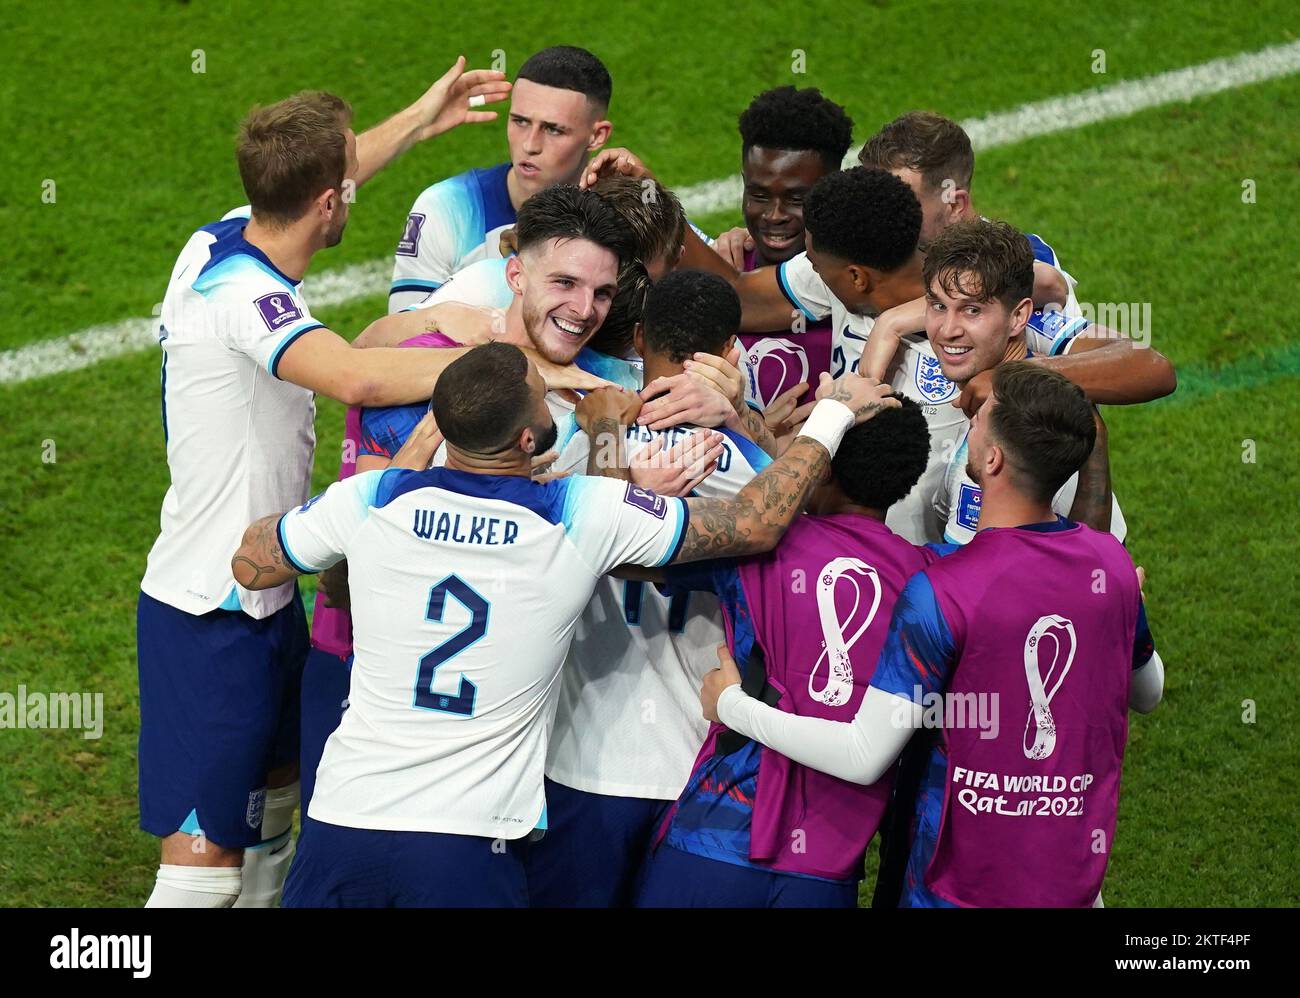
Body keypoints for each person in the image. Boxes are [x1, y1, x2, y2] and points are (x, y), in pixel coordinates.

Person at [230, 343, 901, 906]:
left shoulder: (370, 499)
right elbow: (755, 522)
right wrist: (833, 414)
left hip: (343, 822)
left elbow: (253, 563)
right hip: (466, 847)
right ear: (527, 438)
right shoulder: (577, 511)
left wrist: (391, 485)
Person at [137, 60, 513, 909]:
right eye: (345, 182)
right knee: (202, 874)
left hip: (268, 596)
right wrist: (500, 358)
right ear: (328, 206)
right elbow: (357, 378)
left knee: (271, 817)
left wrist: (421, 117)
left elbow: (326, 173)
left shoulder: (225, 235)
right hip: (206, 612)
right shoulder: (246, 299)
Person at [702, 362, 1165, 908]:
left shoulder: (942, 590)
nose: (969, 424)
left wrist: (734, 706)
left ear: (991, 459)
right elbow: (1148, 693)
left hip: (956, 891)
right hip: (1071, 884)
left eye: (980, 419)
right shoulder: (1109, 565)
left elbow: (862, 754)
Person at [526, 270, 774, 907]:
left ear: (637, 338)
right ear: (728, 352)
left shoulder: (578, 449)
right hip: (699, 766)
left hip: (582, 759)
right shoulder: (753, 475)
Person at [633, 396, 935, 907]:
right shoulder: (930, 581)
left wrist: (638, 493)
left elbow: (627, 554)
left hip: (715, 838)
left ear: (820, 468)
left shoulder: (754, 540)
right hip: (826, 868)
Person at [389, 46, 614, 310]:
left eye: (553, 130)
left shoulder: (621, 218)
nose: (530, 145)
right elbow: (403, 340)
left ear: (597, 136)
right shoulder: (445, 209)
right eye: (520, 122)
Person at [710, 86, 855, 412]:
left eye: (797, 200)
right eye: (759, 195)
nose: (774, 216)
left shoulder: (857, 288)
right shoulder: (721, 265)